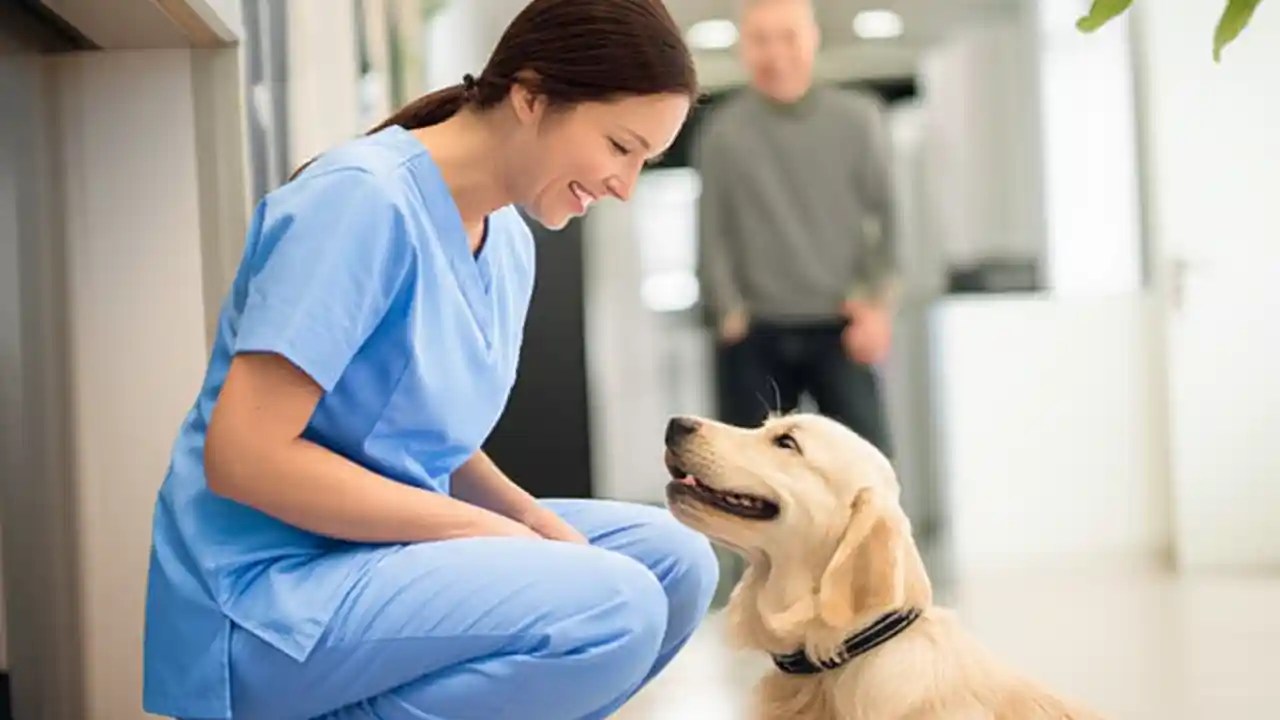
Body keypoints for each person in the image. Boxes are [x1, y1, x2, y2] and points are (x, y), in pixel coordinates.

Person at [141, 2, 718, 719]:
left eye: (645, 162)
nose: (625, 186)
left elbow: (424, 436)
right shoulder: (360, 202)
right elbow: (243, 456)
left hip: (380, 556)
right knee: (613, 604)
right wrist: (491, 534)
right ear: (532, 96)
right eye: (619, 146)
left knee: (672, 562)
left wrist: (529, 521)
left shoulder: (508, 240)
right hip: (266, 591)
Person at [695, 0, 898, 455]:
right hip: (753, 333)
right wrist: (726, 308)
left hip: (841, 325)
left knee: (866, 464)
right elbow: (712, 229)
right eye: (761, 39)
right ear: (744, 48)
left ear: (812, 39)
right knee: (745, 476)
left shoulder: (857, 120)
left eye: (788, 36)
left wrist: (877, 302)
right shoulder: (723, 132)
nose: (776, 53)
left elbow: (888, 219)